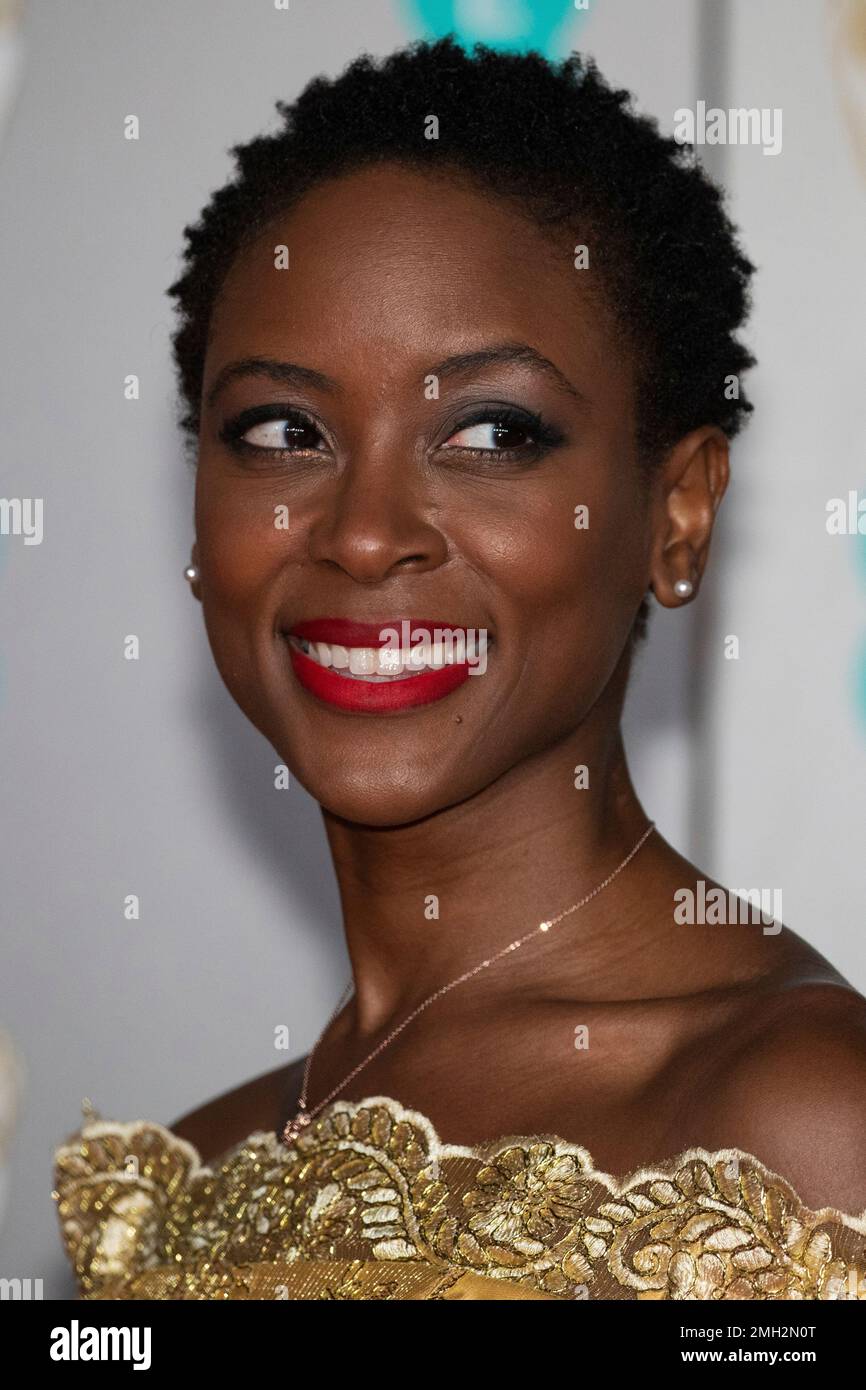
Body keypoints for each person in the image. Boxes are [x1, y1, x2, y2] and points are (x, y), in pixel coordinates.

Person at [54, 35, 866, 1301]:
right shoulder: (186, 1179)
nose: (366, 531)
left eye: (491, 431)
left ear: (676, 513)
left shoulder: (799, 1130)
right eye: (283, 431)